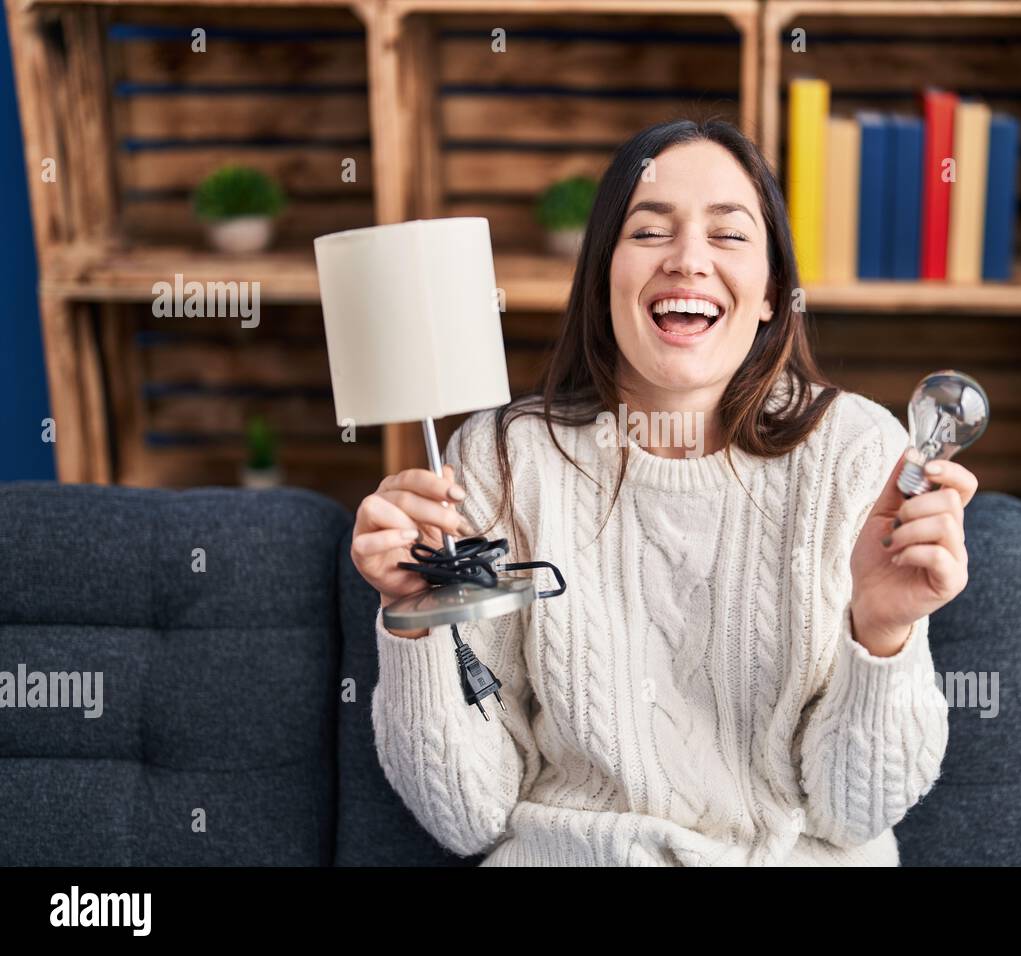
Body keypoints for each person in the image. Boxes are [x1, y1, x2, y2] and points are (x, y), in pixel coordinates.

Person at [350, 117, 975, 866]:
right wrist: (412, 622)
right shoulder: (499, 460)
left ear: (774, 290)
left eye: (729, 235)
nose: (688, 261)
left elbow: (854, 815)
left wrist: (883, 630)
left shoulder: (860, 456)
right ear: (604, 272)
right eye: (649, 233)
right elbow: (469, 815)